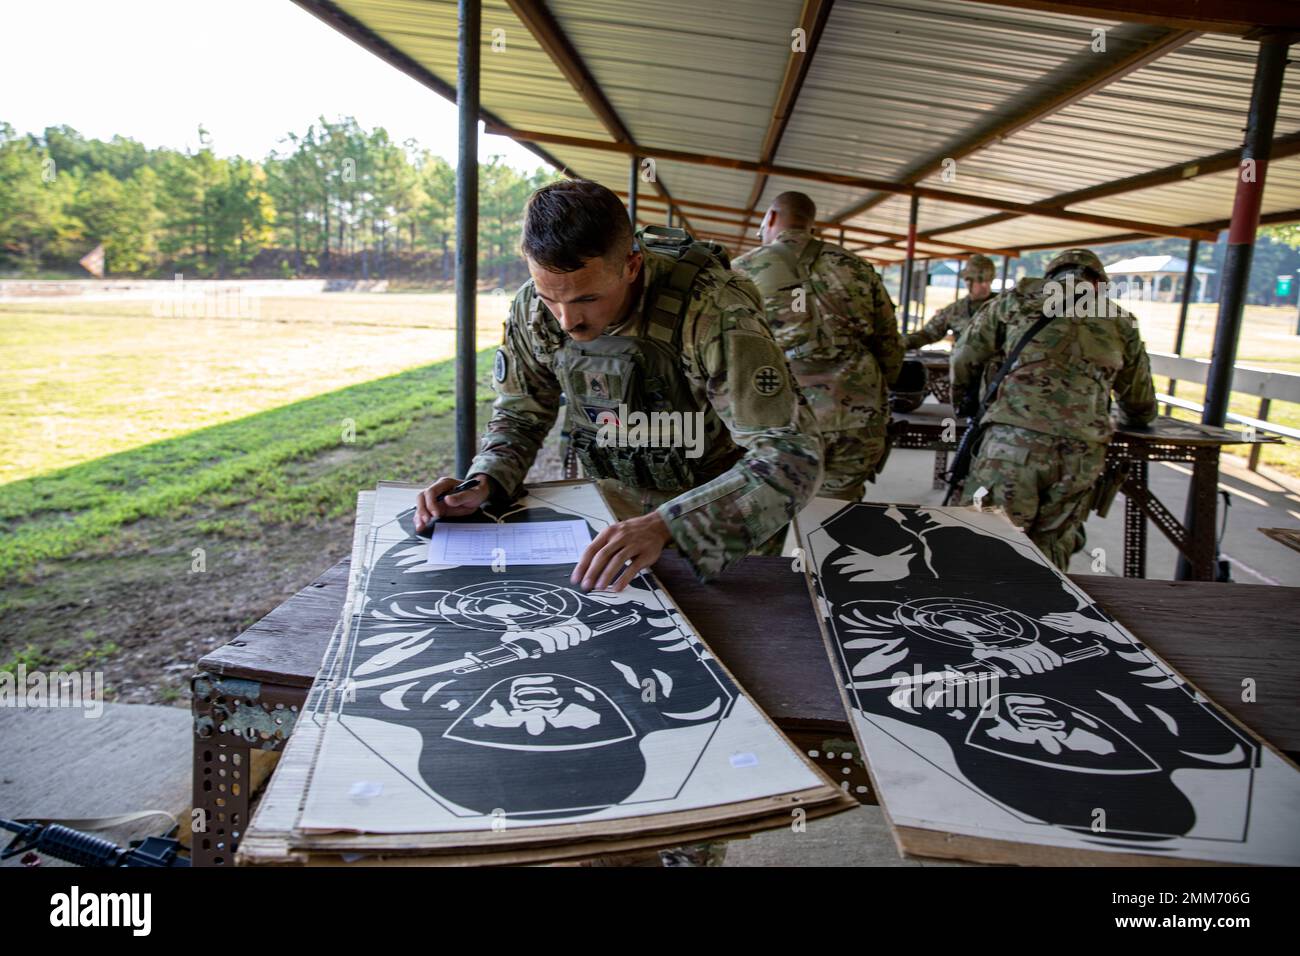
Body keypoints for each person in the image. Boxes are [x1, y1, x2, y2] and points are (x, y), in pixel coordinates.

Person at [416, 179, 822, 589]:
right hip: (608, 511)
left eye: (586, 300)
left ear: (631, 266)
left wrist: (667, 526)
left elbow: (791, 458)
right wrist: (485, 480)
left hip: (716, 514)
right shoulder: (533, 309)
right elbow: (521, 414)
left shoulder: (713, 311)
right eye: (549, 297)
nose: (566, 321)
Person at [950, 248, 1157, 570]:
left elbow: (964, 358)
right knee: (1050, 549)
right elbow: (1139, 398)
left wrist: (965, 404)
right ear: (1099, 284)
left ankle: (972, 614)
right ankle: (1040, 611)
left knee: (986, 540)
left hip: (1011, 444)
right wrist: (1136, 419)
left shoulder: (1015, 301)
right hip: (1081, 456)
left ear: (1051, 277)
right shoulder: (1119, 320)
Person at [733, 191, 902, 500]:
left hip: (778, 416)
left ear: (770, 218)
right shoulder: (856, 266)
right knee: (838, 511)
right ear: (811, 224)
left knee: (771, 501)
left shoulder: (742, 270)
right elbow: (890, 346)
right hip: (856, 415)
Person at [903, 253, 999, 351]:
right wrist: (900, 343)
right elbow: (928, 334)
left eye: (988, 281)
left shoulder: (1003, 307)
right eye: (980, 281)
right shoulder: (955, 309)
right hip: (963, 364)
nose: (985, 286)